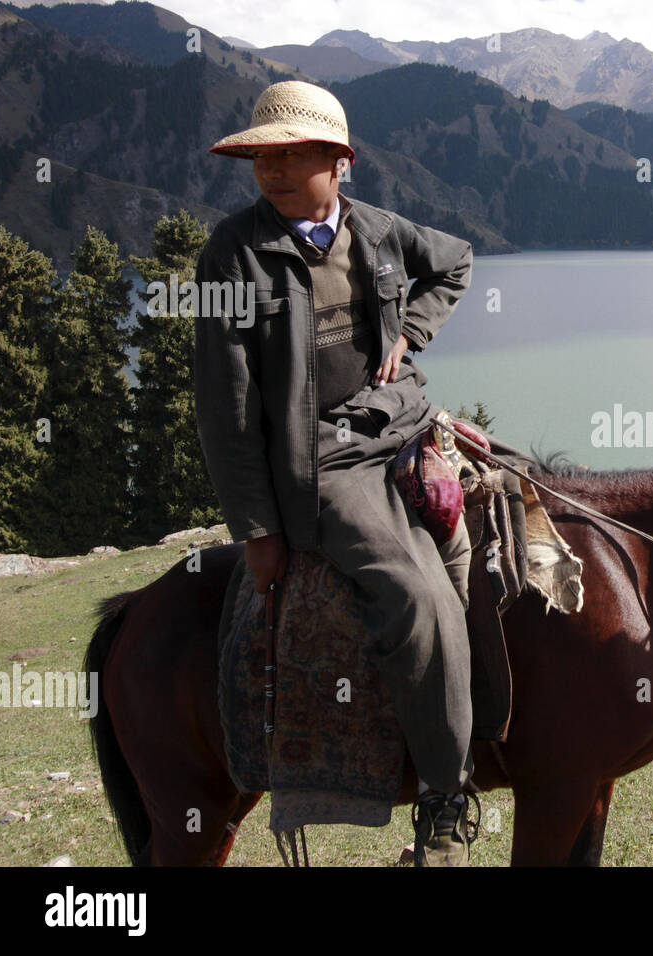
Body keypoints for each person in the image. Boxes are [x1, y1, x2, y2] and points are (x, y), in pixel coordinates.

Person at [193, 80, 477, 866]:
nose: (274, 172)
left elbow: (454, 263)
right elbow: (224, 407)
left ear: (339, 162)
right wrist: (256, 529)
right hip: (321, 460)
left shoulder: (380, 233)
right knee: (415, 593)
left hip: (403, 420)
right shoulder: (233, 252)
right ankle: (445, 797)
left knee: (526, 513)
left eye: (293, 156)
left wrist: (410, 333)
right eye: (262, 159)